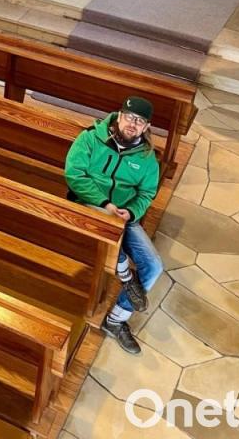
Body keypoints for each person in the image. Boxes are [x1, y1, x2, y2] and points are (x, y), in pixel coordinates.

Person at [64, 96, 163, 355]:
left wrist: (130, 213)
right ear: (119, 115)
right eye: (130, 117)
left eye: (140, 121)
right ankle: (127, 277)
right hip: (89, 207)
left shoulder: (147, 158)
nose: (133, 124)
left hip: (123, 218)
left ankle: (116, 320)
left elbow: (147, 194)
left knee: (154, 266)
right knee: (109, 230)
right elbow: (74, 174)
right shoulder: (90, 138)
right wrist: (105, 204)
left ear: (146, 127)